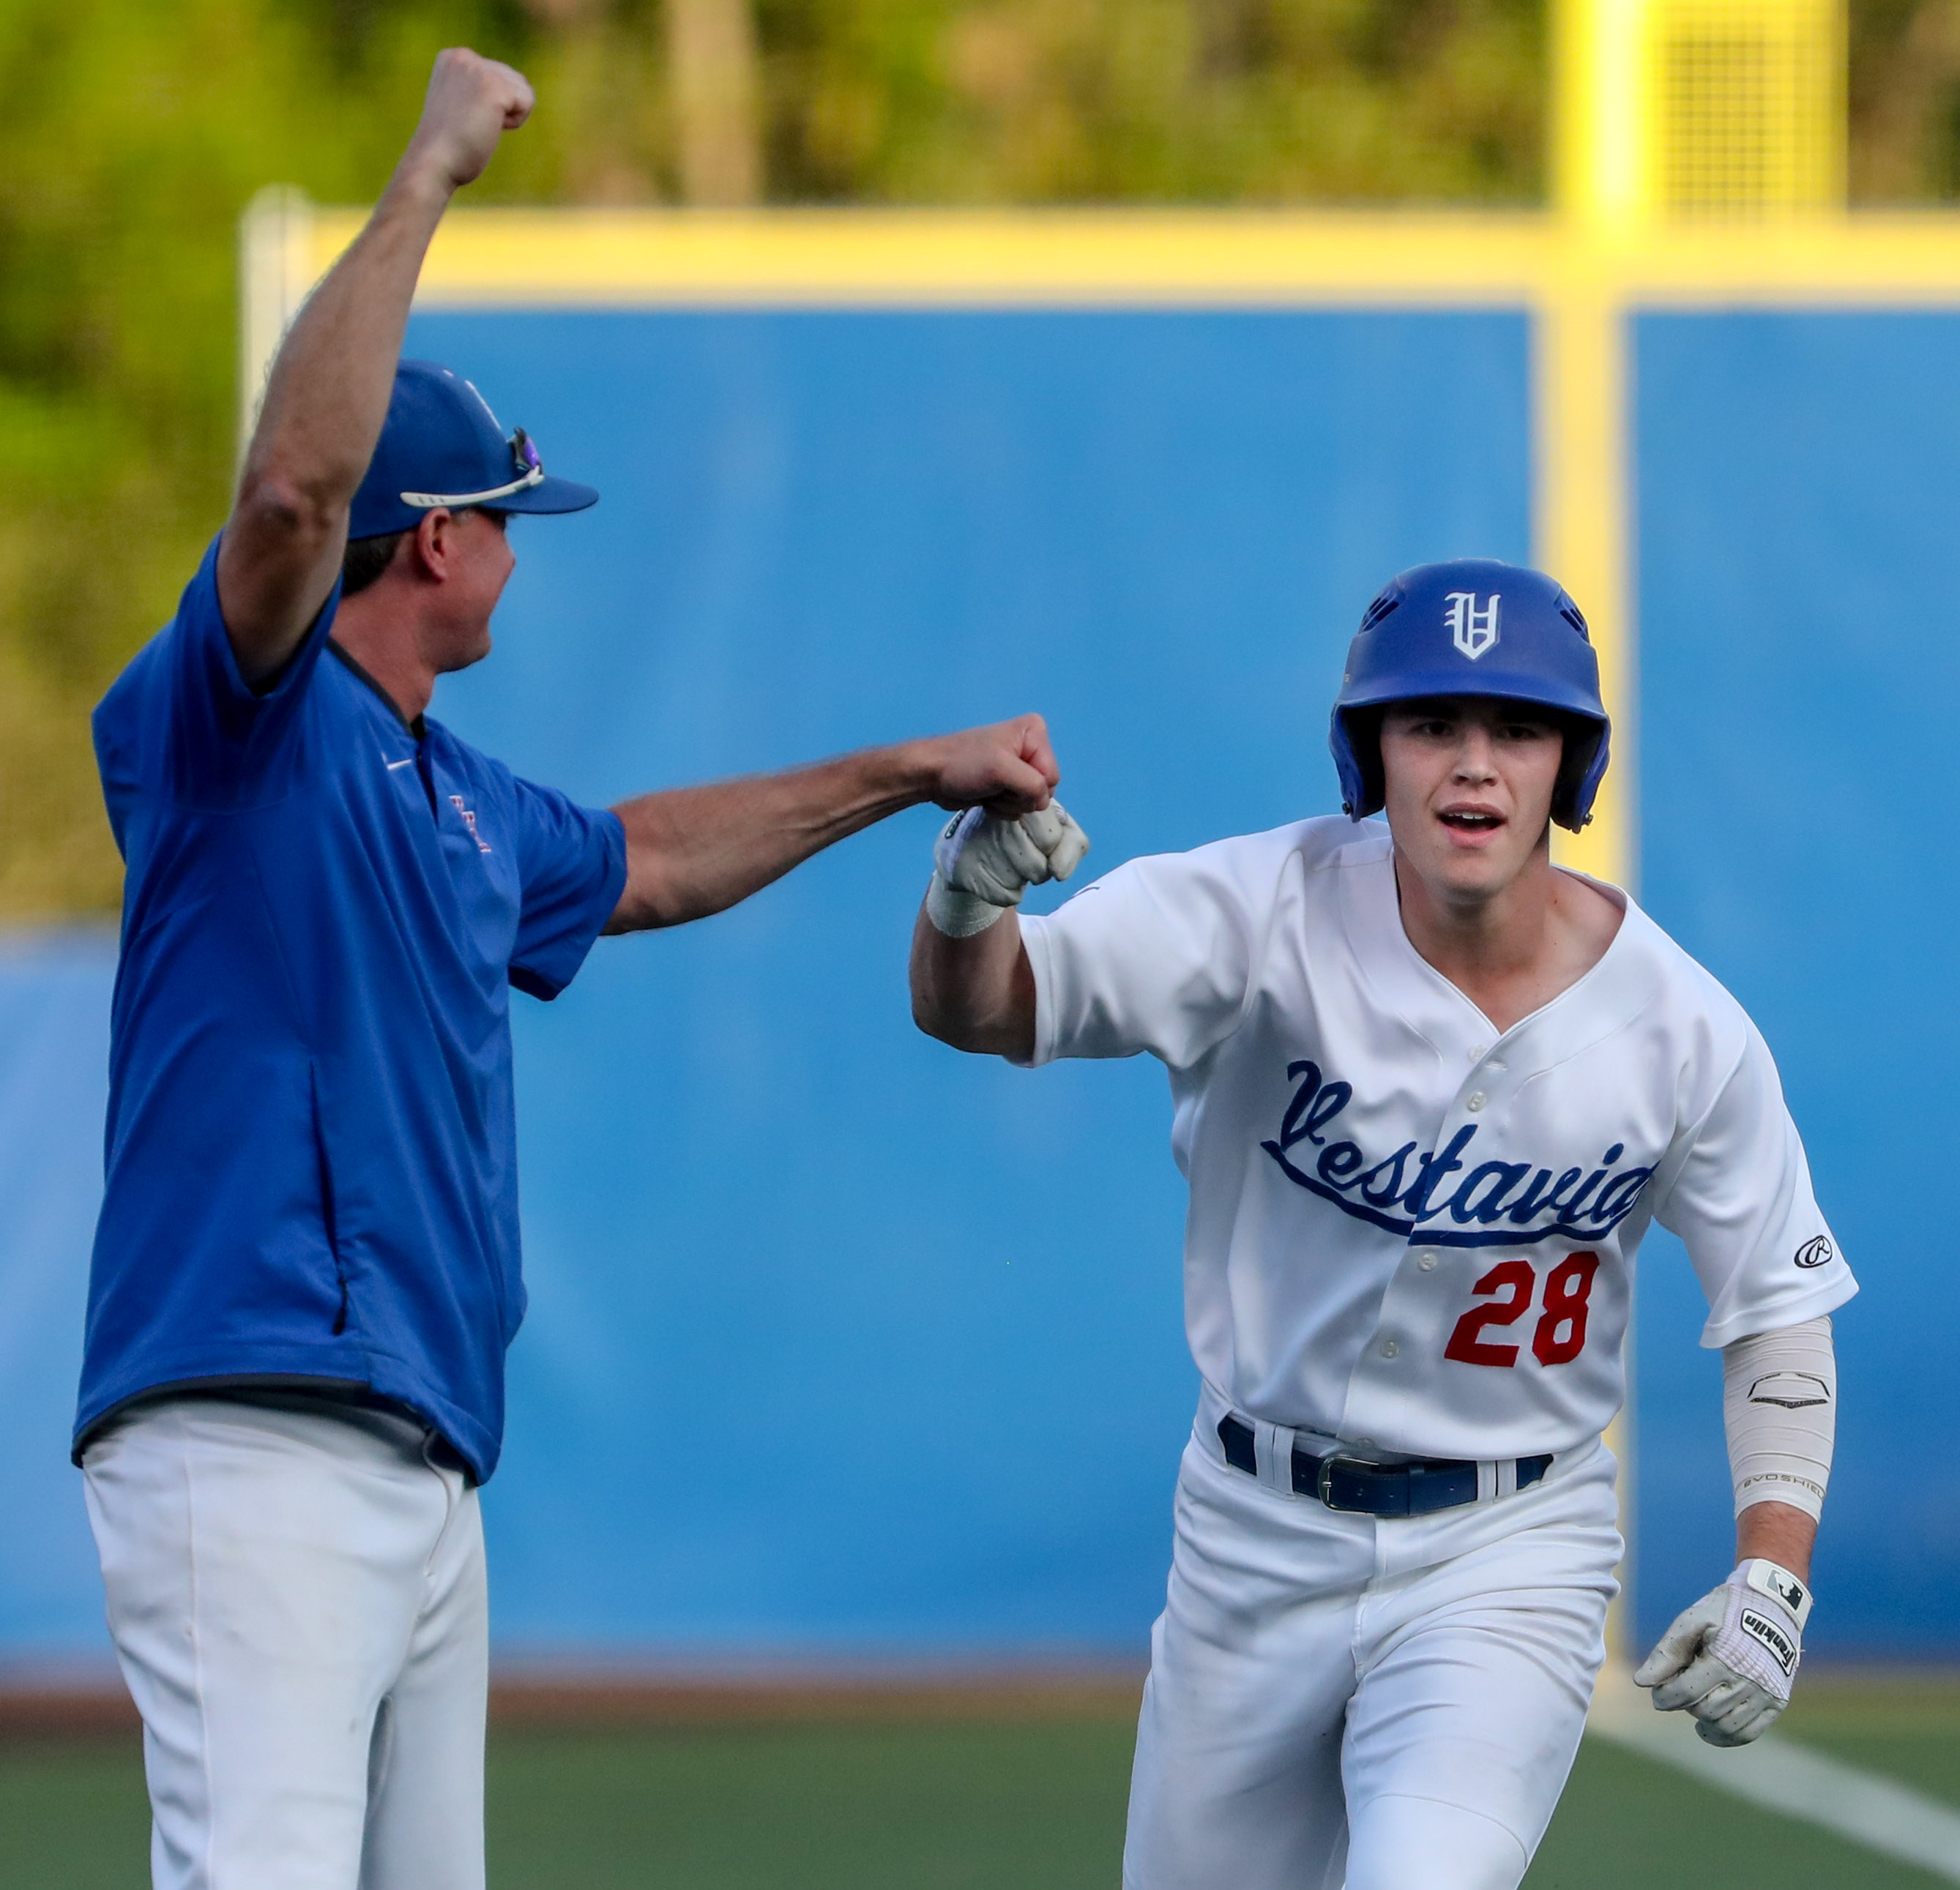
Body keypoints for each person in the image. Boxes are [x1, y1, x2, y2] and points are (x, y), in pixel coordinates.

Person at [75, 48, 1062, 1890]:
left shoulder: (454, 795)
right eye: (507, 523)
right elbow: (293, 492)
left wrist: (905, 773)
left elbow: (655, 858)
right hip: (252, 1437)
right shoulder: (240, 728)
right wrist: (431, 174)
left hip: (425, 1462)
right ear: (435, 538)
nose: (520, 560)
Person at [911, 558, 1853, 1890]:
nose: (1473, 767)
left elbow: (1775, 1308)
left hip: (1506, 1549)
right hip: (1247, 1533)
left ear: (1568, 767)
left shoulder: (1682, 1026)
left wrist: (1772, 1579)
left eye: (1517, 728)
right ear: (1372, 751)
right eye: (1432, 725)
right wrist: (967, 902)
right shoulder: (1249, 911)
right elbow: (982, 1007)